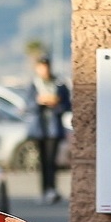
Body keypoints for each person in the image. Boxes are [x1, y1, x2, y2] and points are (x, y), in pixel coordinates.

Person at [28, 54, 72, 203]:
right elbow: (29, 105)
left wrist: (56, 104)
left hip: (54, 128)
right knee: (42, 161)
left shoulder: (59, 84)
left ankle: (52, 189)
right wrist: (39, 102)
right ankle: (43, 190)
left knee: (52, 160)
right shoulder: (34, 84)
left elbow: (67, 105)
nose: (43, 70)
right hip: (40, 128)